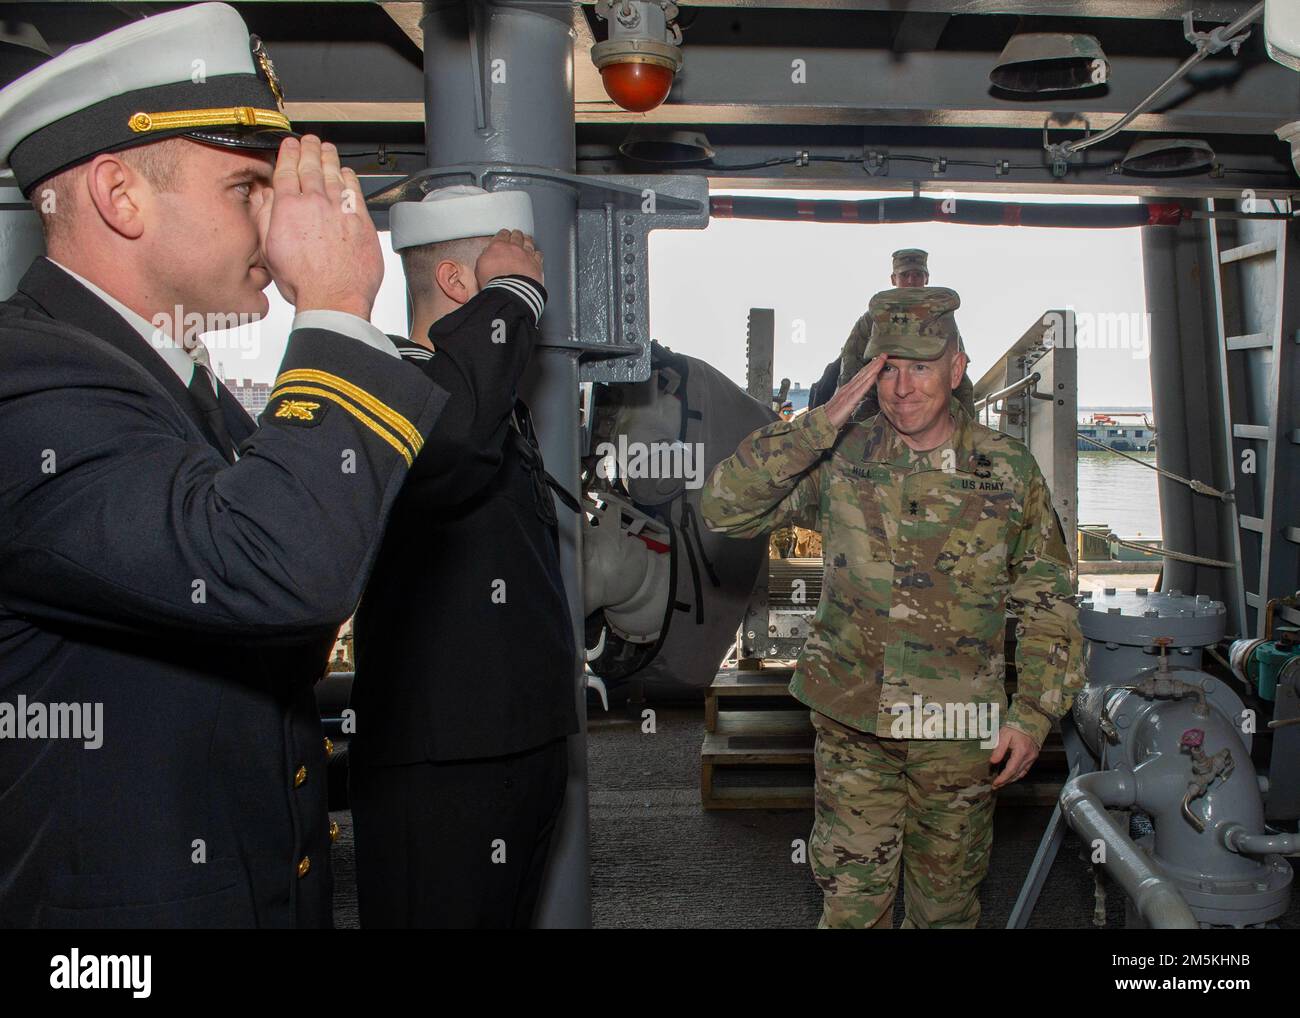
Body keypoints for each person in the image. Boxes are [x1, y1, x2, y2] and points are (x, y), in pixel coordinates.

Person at [0, 2, 464, 928]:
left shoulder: (176, 382)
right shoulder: (25, 378)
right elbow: (280, 571)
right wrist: (332, 302)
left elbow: (274, 635)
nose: (276, 223)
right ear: (119, 197)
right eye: (247, 187)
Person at [702, 286, 1083, 929]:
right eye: (888, 369)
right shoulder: (840, 456)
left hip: (959, 736)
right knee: (852, 910)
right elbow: (723, 506)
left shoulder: (1006, 471)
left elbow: (1048, 597)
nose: (903, 388)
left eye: (920, 366)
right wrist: (818, 423)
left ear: (956, 368)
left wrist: (1036, 710)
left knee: (946, 911)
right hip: (854, 725)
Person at [348, 185, 579, 928]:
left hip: (516, 744)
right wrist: (512, 295)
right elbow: (447, 440)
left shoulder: (478, 395)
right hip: (441, 762)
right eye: (516, 274)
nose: (532, 299)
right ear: (458, 284)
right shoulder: (391, 384)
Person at [809, 248, 976, 417]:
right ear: (893, 279)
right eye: (904, 275)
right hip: (879, 398)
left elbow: (958, 370)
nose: (911, 281)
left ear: (926, 278)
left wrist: (967, 427)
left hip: (926, 395)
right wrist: (845, 411)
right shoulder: (873, 319)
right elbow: (850, 364)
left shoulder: (940, 317)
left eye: (917, 274)